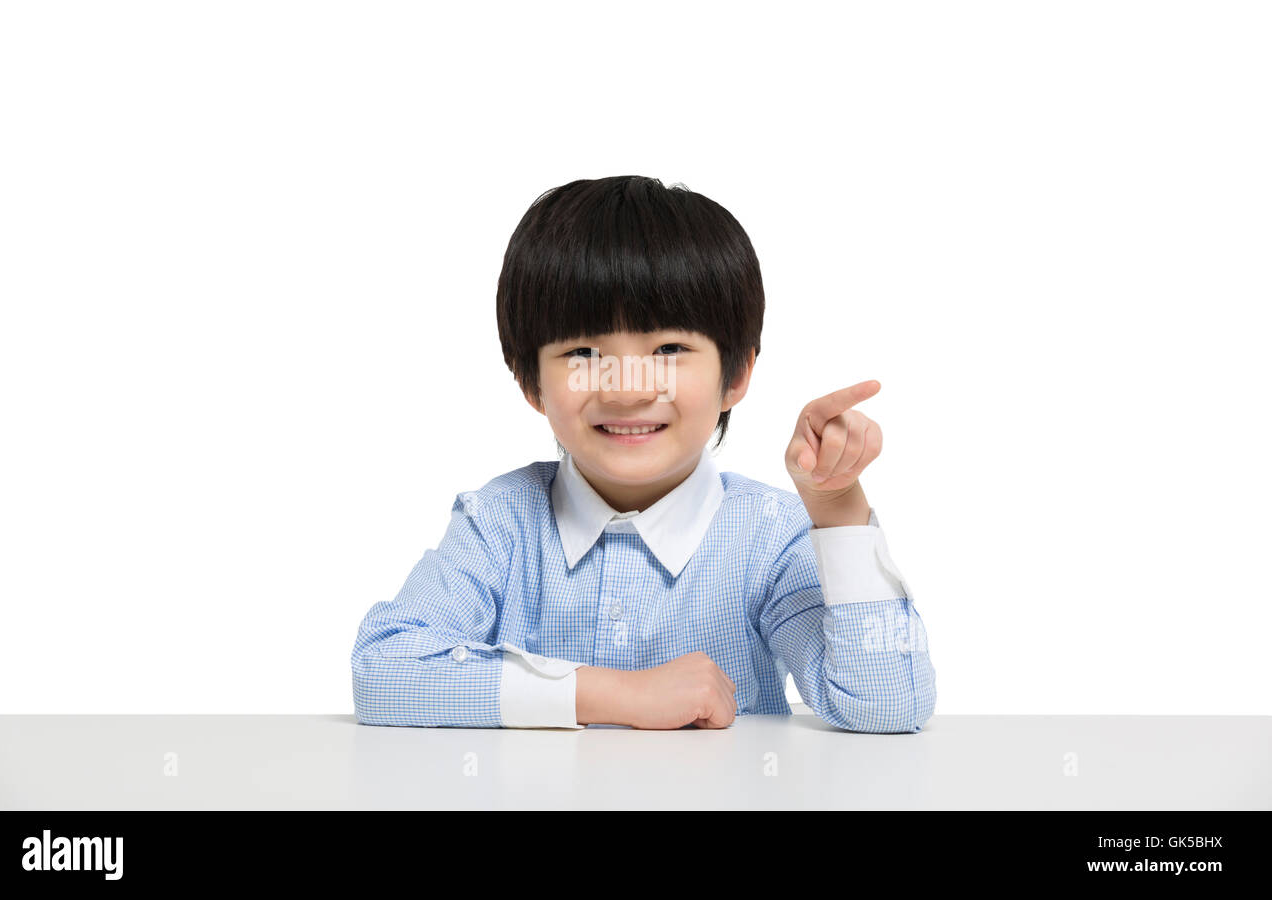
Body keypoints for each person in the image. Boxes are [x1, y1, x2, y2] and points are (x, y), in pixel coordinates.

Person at [351, 175, 935, 731]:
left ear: (736, 375)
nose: (627, 388)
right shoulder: (499, 523)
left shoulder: (769, 536)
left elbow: (887, 706)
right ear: (531, 383)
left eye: (669, 348)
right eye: (583, 350)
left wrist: (836, 506)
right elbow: (384, 668)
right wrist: (616, 695)